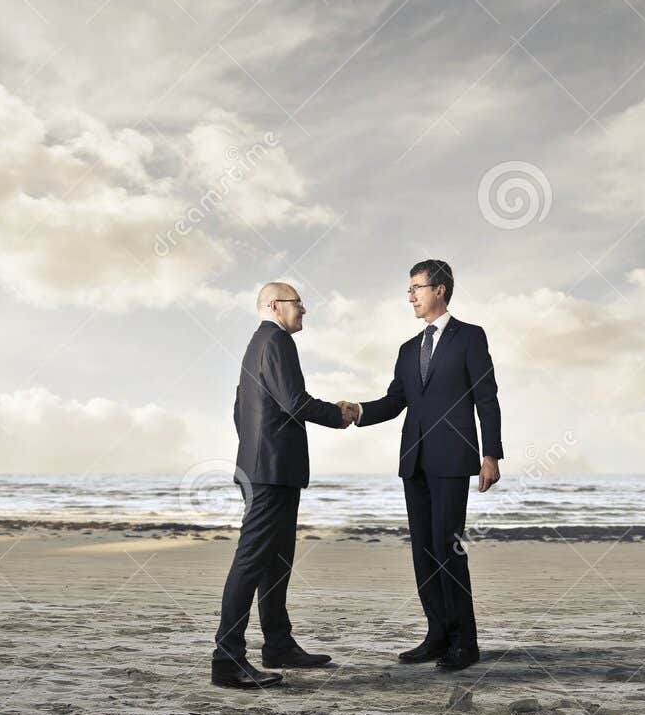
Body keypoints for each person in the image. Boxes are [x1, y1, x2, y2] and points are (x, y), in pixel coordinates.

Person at [338, 259, 502, 672]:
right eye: (409, 289)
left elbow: (487, 397)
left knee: (448, 549)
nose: (410, 296)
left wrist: (491, 454)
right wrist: (358, 410)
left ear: (440, 290)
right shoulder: (408, 349)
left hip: (452, 459)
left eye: (417, 287)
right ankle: (436, 635)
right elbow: (396, 402)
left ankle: (466, 642)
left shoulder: (470, 337)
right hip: (415, 461)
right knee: (424, 553)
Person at [211, 281, 347, 689]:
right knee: (252, 560)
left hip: (265, 467)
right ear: (274, 305)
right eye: (297, 302)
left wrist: (257, 449)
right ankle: (227, 659)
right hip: (270, 471)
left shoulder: (256, 345)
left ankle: (278, 645)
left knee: (277, 560)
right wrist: (338, 415)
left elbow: (239, 409)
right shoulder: (277, 341)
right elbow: (295, 401)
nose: (304, 309)